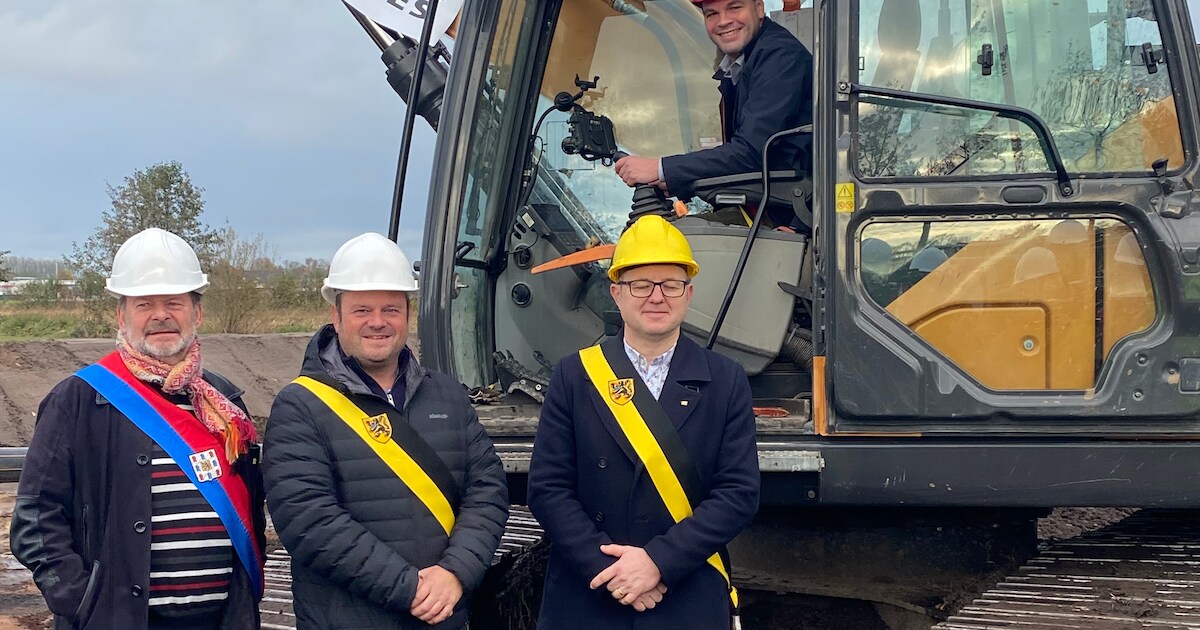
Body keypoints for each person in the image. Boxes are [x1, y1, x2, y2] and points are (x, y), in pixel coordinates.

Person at [10, 227, 265, 630]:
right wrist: (83, 602)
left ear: (196, 312)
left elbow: (250, 512)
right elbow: (34, 520)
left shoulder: (225, 403)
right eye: (144, 303)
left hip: (220, 620)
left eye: (174, 302)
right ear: (122, 315)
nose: (160, 315)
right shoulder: (77, 400)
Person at [263, 232, 508, 629]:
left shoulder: (446, 393)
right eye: (362, 310)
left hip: (442, 614)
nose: (377, 322)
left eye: (390, 309)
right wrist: (411, 589)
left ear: (407, 314)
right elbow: (309, 520)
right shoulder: (300, 406)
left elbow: (488, 491)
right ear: (336, 317)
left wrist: (455, 573)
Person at [527, 215, 760, 629]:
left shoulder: (725, 379)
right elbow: (548, 490)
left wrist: (657, 563)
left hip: (684, 587)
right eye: (641, 285)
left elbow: (737, 494)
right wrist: (616, 572)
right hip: (591, 589)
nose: (657, 297)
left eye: (670, 285)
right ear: (616, 293)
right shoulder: (573, 375)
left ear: (688, 294)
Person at [614, 0, 813, 225]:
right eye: (712, 14)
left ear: (759, 8)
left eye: (734, 7)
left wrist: (660, 168)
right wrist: (677, 180)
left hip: (792, 216)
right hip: (769, 208)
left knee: (664, 247)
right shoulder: (745, 62)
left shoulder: (779, 57)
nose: (723, 21)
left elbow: (750, 153)